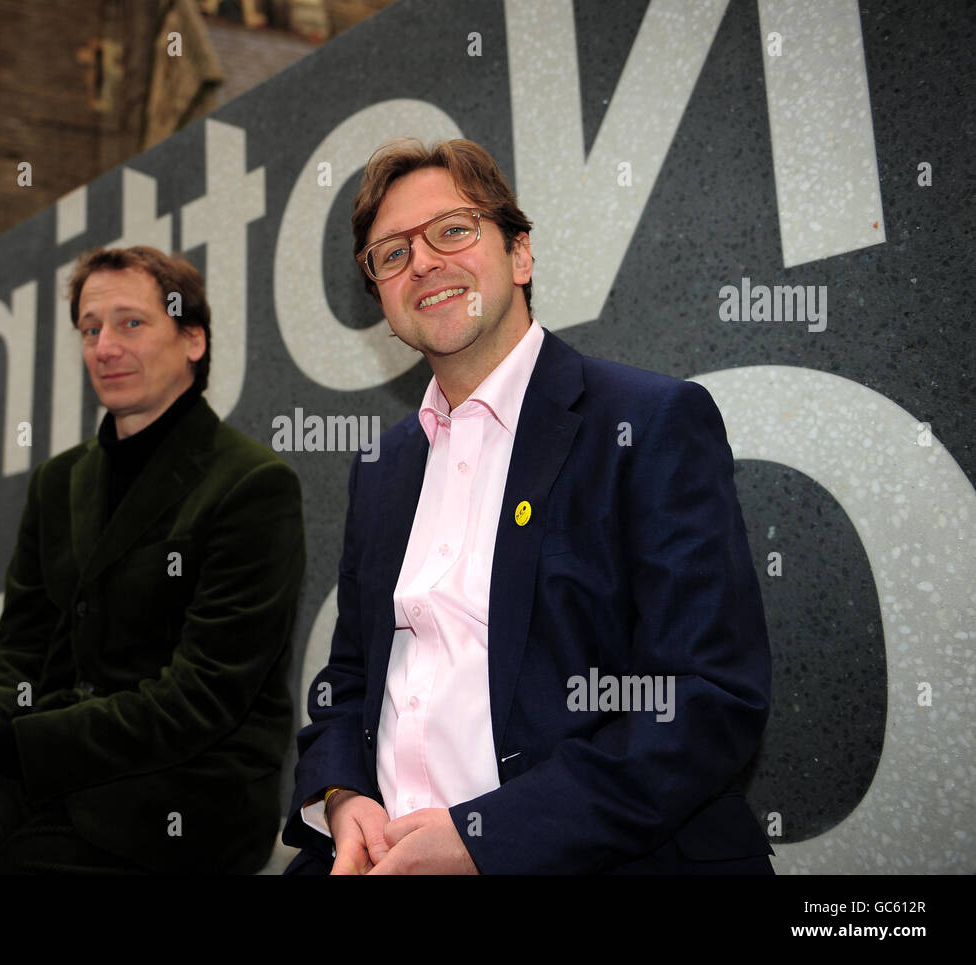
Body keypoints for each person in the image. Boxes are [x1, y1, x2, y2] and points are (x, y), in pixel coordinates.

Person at [283, 138, 774, 874]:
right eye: (391, 254)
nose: (421, 263)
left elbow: (704, 700)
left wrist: (484, 838)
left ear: (519, 256)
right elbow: (348, 677)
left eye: (452, 230)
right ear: (383, 303)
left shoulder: (651, 422)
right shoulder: (383, 467)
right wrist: (344, 795)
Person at [0, 246, 305, 873]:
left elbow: (198, 701)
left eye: (131, 323)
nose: (104, 347)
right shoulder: (60, 480)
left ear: (193, 340)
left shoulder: (253, 483)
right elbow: (18, 652)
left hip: (181, 795)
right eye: (90, 328)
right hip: (43, 771)